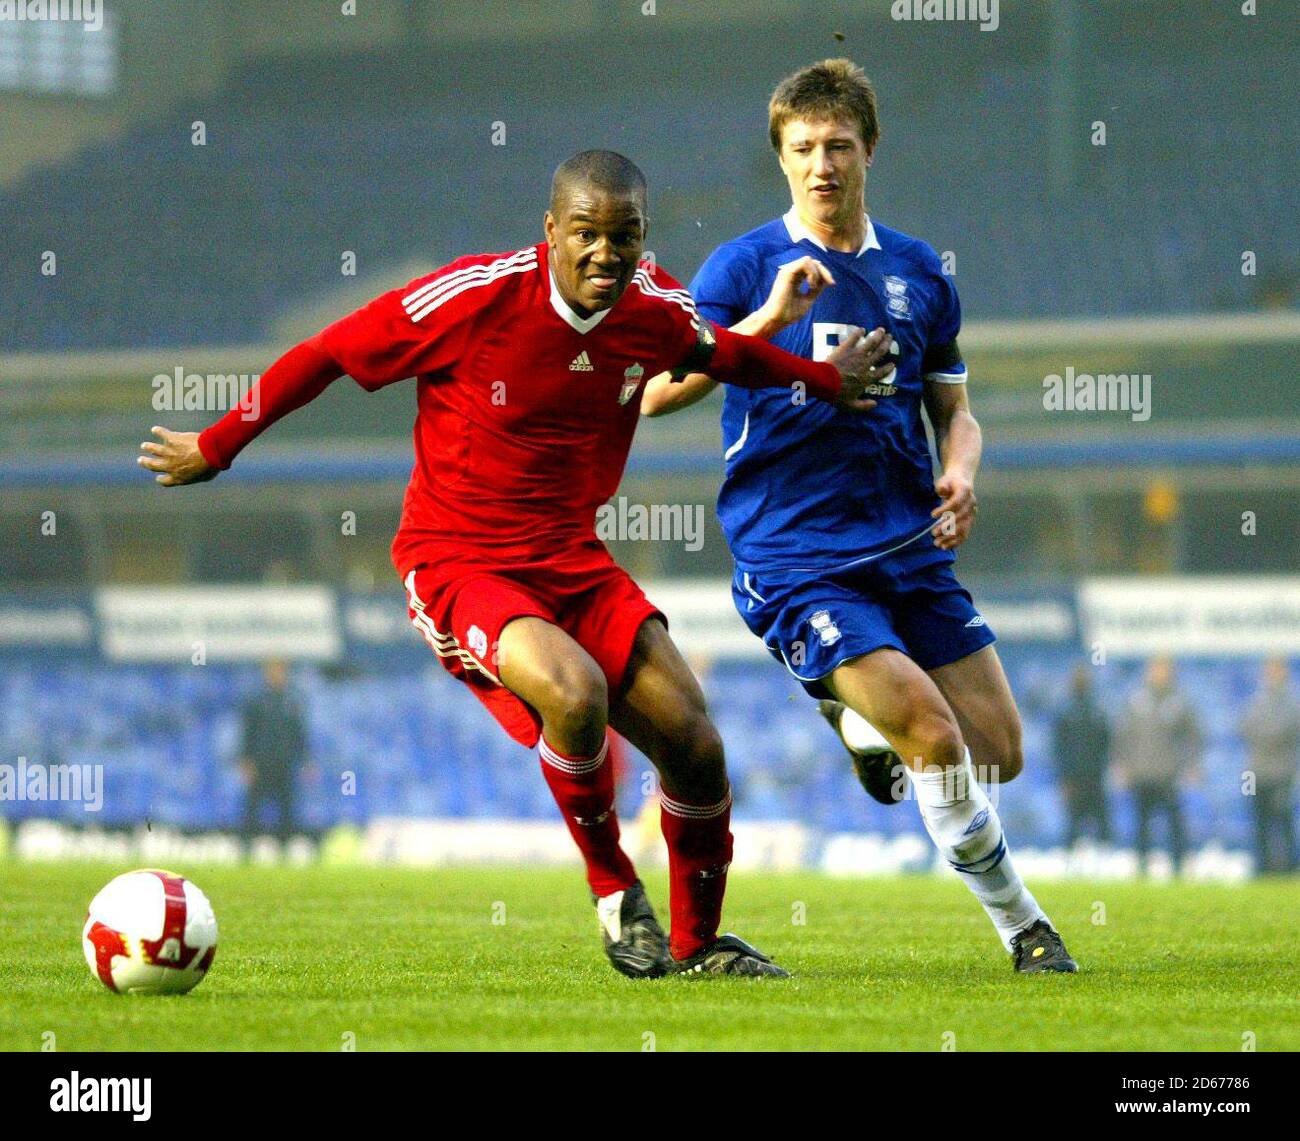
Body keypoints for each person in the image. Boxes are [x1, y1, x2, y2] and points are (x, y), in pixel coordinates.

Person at [138, 149, 892, 979]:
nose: (607, 253)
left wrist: (824, 379)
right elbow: (325, 355)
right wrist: (218, 444)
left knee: (695, 740)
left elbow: (720, 353)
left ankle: (698, 944)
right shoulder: (473, 296)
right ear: (550, 231)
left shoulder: (652, 306)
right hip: (458, 561)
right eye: (587, 234)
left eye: (626, 236)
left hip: (574, 560)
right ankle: (614, 890)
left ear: (643, 236)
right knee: (575, 692)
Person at [640, 59, 1077, 972]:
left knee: (999, 750)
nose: (822, 164)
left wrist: (960, 475)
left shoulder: (920, 272)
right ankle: (1025, 928)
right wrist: (764, 318)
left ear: (871, 148)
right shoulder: (744, 264)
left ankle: (856, 725)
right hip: (797, 553)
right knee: (935, 733)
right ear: (782, 158)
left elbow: (956, 412)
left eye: (839, 146)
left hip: (908, 545)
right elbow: (655, 392)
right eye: (802, 149)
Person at [1114, 657, 1202, 874]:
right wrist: (1121, 764)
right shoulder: (1136, 700)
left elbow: (1194, 736)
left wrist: (1192, 764)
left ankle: (1179, 868)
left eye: (1164, 669)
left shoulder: (1180, 701)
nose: (1159, 673)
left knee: (1175, 825)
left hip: (1168, 774)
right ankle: (1142, 868)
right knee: (1142, 825)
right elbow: (1123, 735)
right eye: (1156, 668)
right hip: (1141, 773)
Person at [238, 659, 308, 849]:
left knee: (287, 810)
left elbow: (300, 733)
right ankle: (246, 850)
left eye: (280, 671)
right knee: (252, 809)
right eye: (272, 671)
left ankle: (285, 851)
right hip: (261, 763)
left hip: (284, 763)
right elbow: (248, 733)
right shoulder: (256, 701)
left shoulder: (293, 701)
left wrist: (306, 761)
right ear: (266, 674)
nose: (276, 675)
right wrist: (246, 761)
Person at [1239, 657, 1299, 874]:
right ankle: (1263, 868)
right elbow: (1244, 729)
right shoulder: (1256, 701)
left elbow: (1286, 732)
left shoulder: (1292, 703)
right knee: (1259, 821)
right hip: (1255, 774)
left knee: (1282, 820)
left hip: (1282, 773)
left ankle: (1289, 869)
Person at [1051, 664, 1113, 849]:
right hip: (1074, 778)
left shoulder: (1097, 712)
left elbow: (1106, 743)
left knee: (1102, 824)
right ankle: (1070, 860)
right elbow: (1058, 748)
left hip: (1094, 777)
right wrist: (1063, 777)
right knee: (1073, 824)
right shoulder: (1065, 714)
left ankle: (1104, 858)